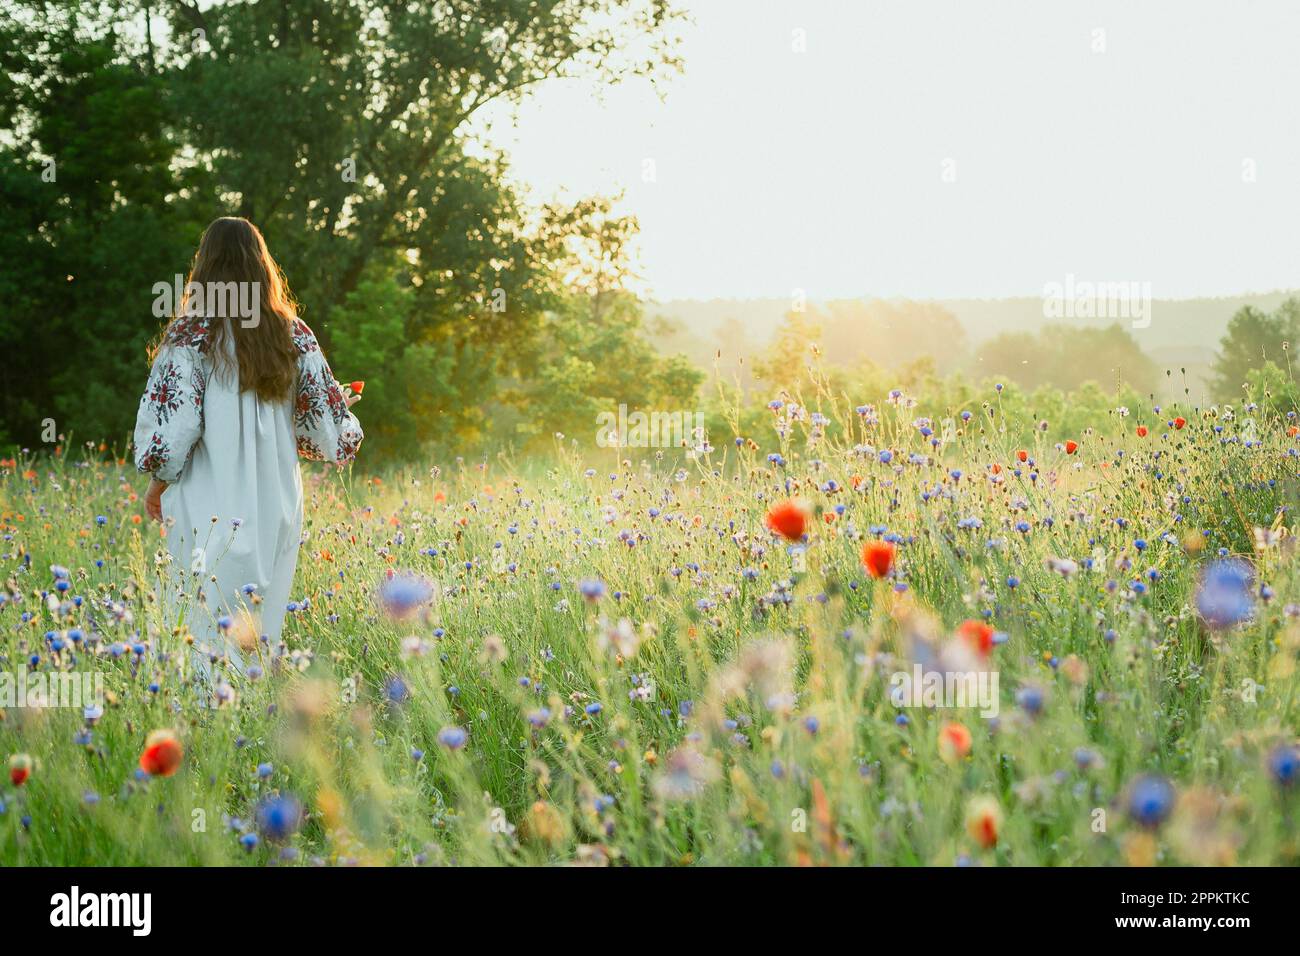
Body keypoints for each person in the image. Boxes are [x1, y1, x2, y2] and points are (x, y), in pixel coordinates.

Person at [133, 216, 363, 671]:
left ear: (205, 268)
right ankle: (251, 729)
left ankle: (207, 731)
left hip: (209, 502)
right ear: (262, 267)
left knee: (202, 632)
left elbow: (173, 433)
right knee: (258, 632)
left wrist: (158, 482)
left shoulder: (190, 335)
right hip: (275, 500)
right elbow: (328, 432)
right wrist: (343, 407)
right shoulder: (291, 333)